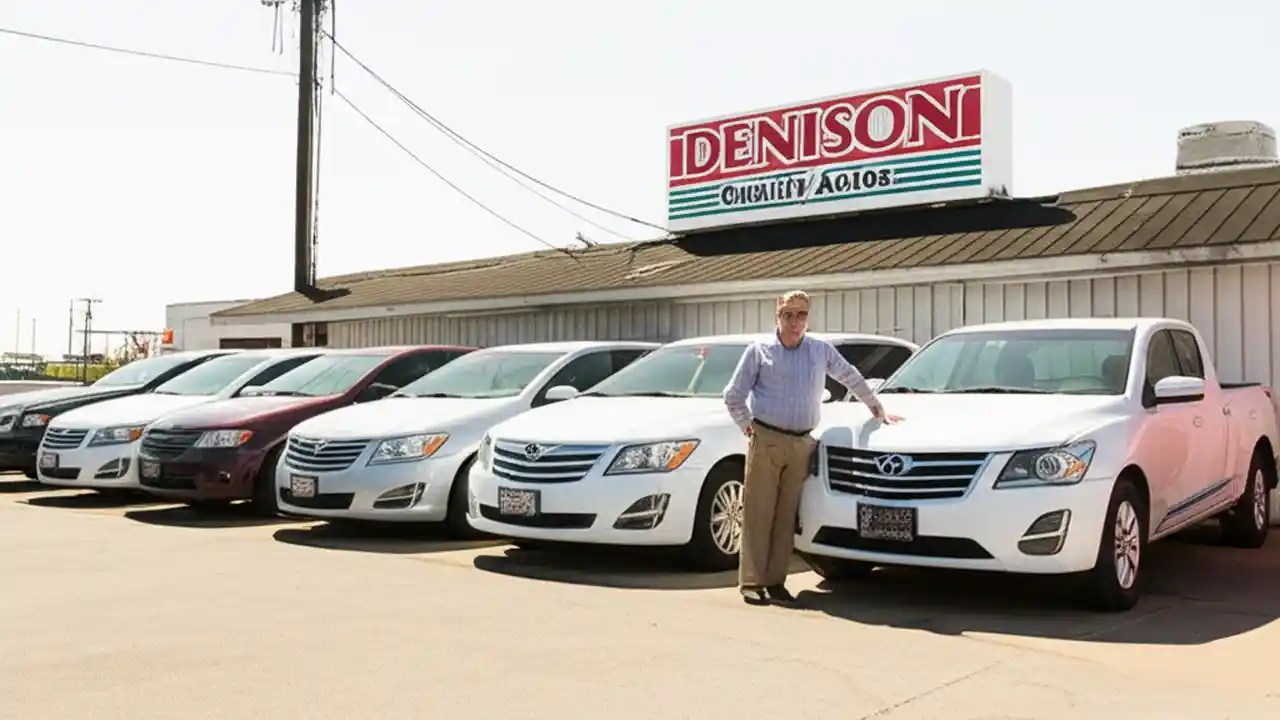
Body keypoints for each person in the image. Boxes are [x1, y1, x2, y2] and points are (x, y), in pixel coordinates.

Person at [722, 290, 902, 605]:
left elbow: (850, 376)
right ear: (777, 316)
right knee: (758, 513)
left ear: (808, 317)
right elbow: (733, 394)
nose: (795, 321)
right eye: (788, 314)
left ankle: (776, 582)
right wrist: (747, 426)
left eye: (801, 315)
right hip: (767, 440)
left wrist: (877, 408)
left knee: (785, 516)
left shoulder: (819, 350)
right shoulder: (759, 351)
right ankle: (751, 582)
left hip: (802, 442)